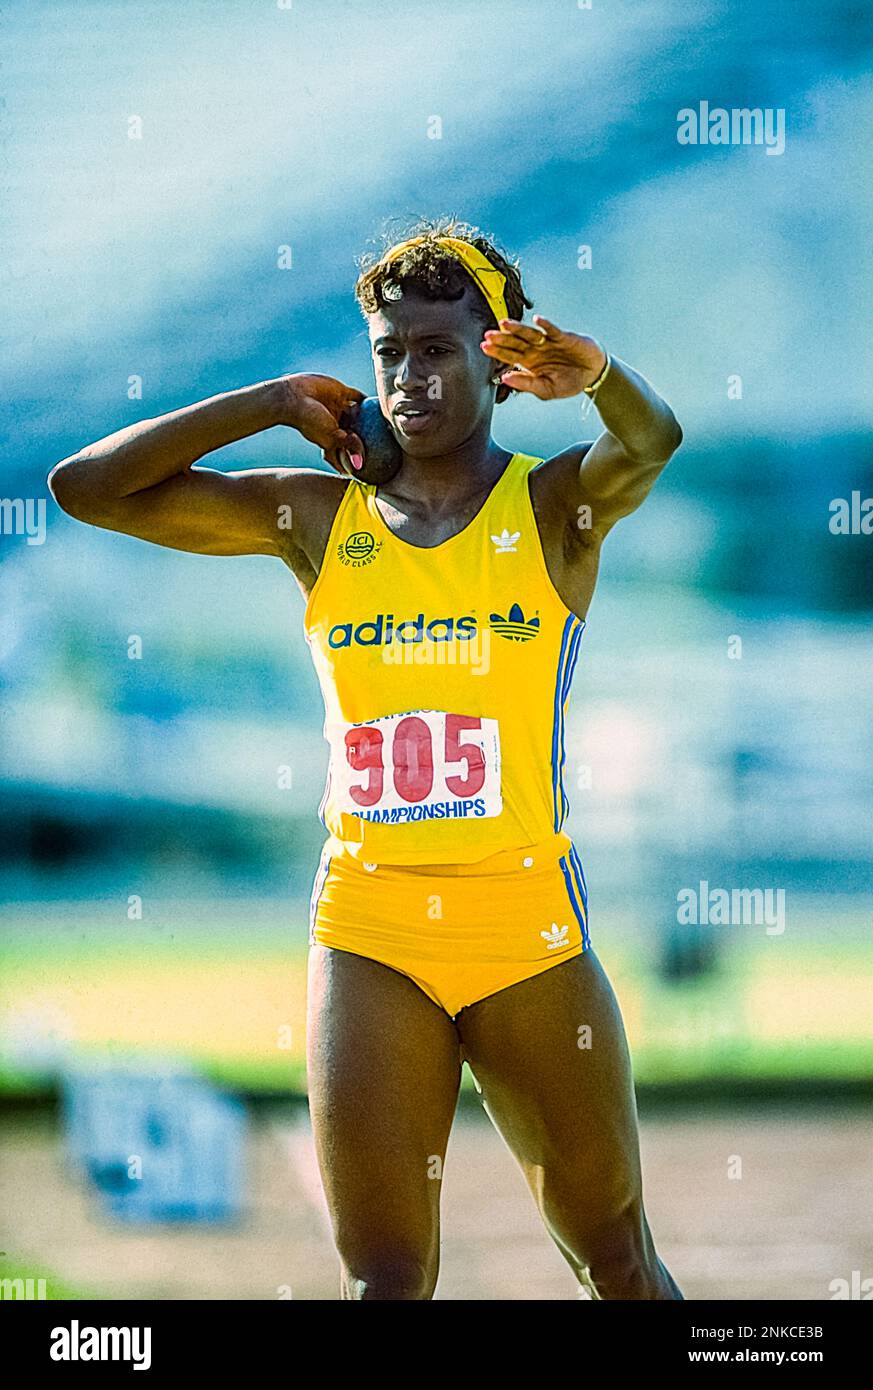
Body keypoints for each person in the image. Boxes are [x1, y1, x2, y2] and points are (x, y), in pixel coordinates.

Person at [48, 216, 684, 1301]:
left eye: (438, 351)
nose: (408, 380)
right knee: (386, 1280)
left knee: (614, 1259)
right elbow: (85, 488)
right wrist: (266, 404)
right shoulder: (312, 518)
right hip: (368, 924)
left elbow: (653, 443)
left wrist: (602, 375)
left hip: (525, 925)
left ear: (503, 359)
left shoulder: (552, 505)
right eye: (389, 355)